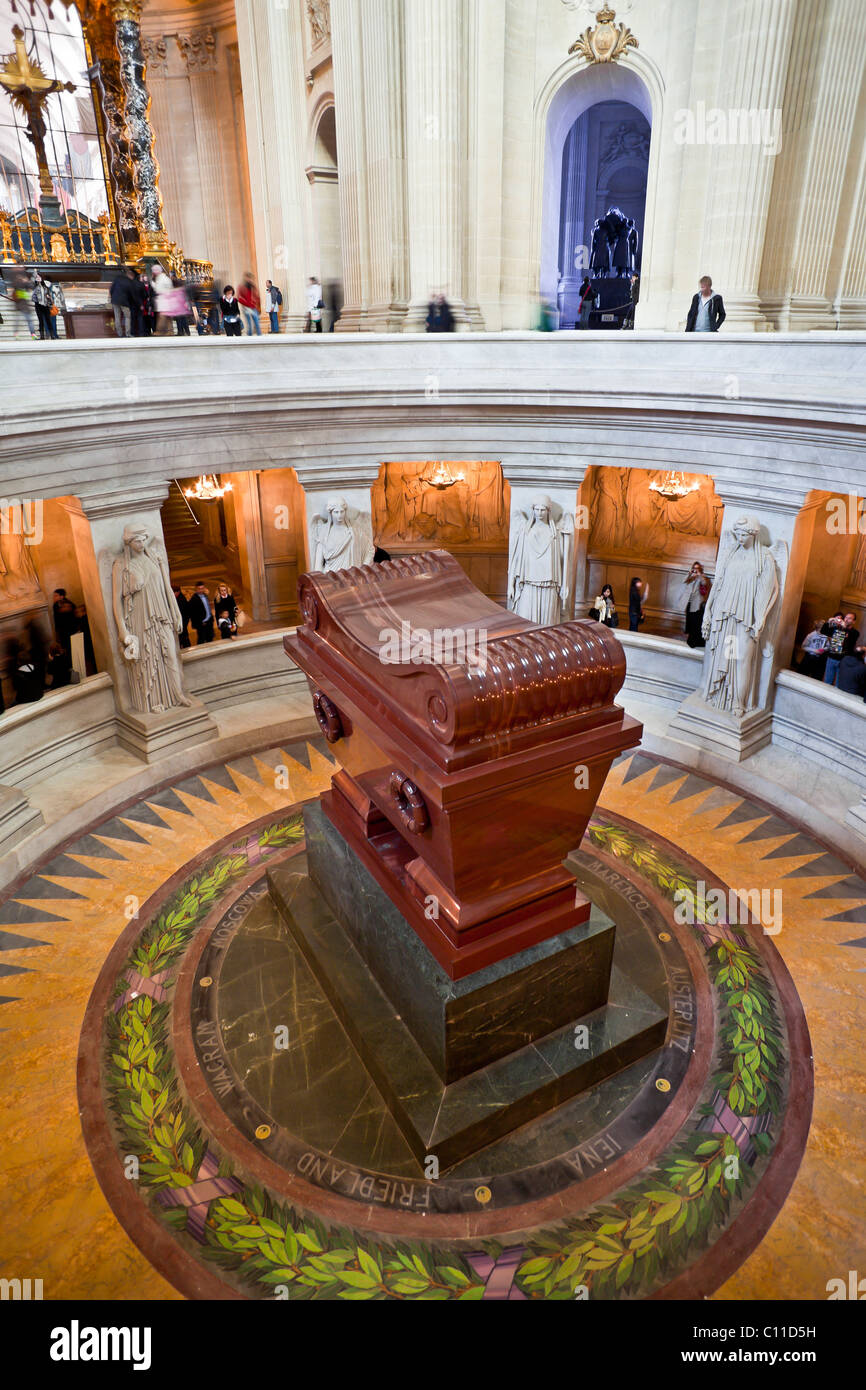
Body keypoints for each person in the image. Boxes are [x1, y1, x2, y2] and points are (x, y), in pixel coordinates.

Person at [822, 612, 860, 686]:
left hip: (843, 661)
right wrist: (829, 621)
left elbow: (850, 643)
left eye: (849, 618)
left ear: (853, 621)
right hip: (831, 657)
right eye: (846, 617)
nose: (846, 619)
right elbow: (823, 631)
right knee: (827, 682)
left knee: (839, 684)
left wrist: (845, 628)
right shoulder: (837, 627)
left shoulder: (855, 633)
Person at [682, 561, 711, 647]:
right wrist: (689, 573)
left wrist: (699, 575)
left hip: (697, 603)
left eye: (697, 568)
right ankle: (690, 638)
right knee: (690, 621)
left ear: (700, 569)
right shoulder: (691, 577)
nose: (695, 570)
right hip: (689, 602)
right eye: (694, 568)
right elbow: (683, 581)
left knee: (696, 622)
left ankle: (695, 641)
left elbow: (705, 583)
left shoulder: (703, 577)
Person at [151, 265, 175, 335]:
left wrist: (152, 283)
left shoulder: (161, 279)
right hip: (168, 300)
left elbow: (158, 290)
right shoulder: (166, 278)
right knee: (168, 317)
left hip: (163, 300)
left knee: (162, 316)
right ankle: (170, 331)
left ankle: (160, 331)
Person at [110, 267, 135, 337]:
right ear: (131, 276)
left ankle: (120, 334)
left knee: (117, 317)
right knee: (127, 317)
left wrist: (113, 297)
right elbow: (131, 294)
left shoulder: (118, 278)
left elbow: (111, 289)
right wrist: (131, 302)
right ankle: (128, 334)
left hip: (115, 301)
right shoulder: (130, 282)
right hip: (124, 302)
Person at [52, 588, 77, 655]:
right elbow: (56, 619)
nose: (54, 597)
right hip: (62, 631)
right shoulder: (55, 605)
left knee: (72, 649)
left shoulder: (69, 604)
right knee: (65, 648)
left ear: (62, 596)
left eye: (56, 596)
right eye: (54, 596)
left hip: (70, 630)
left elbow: (74, 614)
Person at [32, 273, 55, 340]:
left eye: (39, 277)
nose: (38, 278)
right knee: (41, 321)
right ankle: (42, 336)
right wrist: (37, 300)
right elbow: (33, 297)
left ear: (41, 278)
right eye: (37, 277)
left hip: (46, 305)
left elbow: (49, 295)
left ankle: (52, 335)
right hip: (38, 305)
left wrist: (48, 297)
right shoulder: (35, 287)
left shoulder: (45, 286)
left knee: (48, 320)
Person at [129, 267, 148, 337]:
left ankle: (133, 332)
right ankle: (141, 332)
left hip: (132, 304)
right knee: (140, 319)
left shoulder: (131, 284)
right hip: (140, 304)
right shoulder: (141, 284)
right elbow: (145, 295)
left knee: (133, 319)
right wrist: (142, 302)